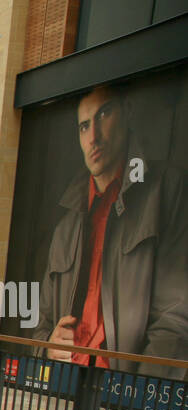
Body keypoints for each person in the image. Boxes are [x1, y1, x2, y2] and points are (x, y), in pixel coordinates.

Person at [33, 84, 188, 376]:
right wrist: (46, 348)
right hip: (66, 385)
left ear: (127, 112)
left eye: (104, 114)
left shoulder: (167, 189)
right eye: (83, 126)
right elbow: (41, 326)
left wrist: (134, 396)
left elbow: (175, 320)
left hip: (119, 396)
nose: (93, 137)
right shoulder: (66, 227)